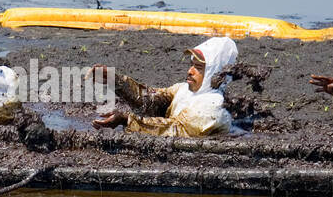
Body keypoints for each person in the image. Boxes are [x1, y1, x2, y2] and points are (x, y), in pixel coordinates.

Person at [90, 36, 238, 137]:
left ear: (216, 72)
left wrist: (127, 120)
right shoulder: (185, 90)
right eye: (191, 64)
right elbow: (151, 101)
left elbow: (174, 130)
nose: (189, 71)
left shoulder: (212, 107)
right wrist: (117, 81)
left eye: (198, 67)